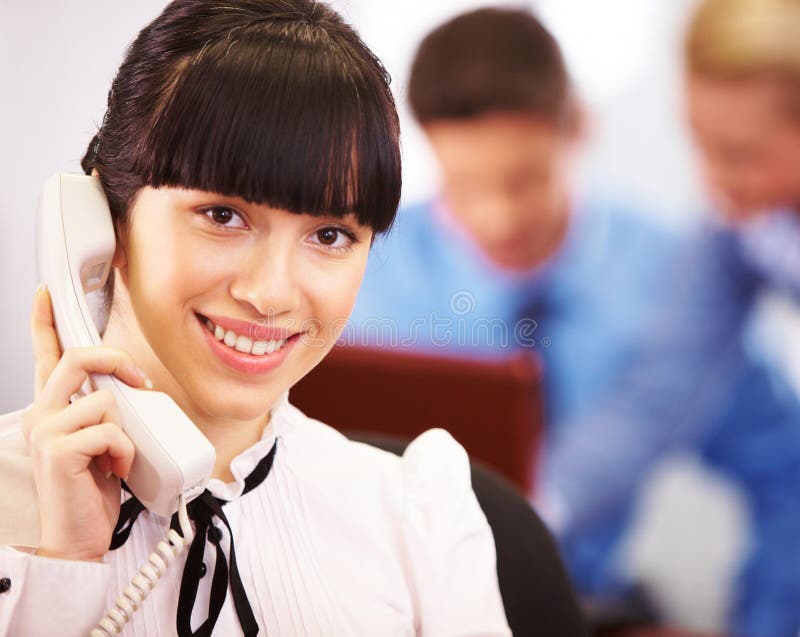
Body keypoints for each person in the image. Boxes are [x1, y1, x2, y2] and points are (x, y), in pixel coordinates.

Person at [0, 2, 513, 635]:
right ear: (105, 223)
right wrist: (66, 569)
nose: (271, 295)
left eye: (330, 234)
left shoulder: (412, 513)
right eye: (223, 216)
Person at [348, 6, 800, 636]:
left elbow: (785, 465)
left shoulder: (671, 283)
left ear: (579, 127)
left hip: (589, 610)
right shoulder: (349, 279)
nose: (500, 219)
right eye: (467, 184)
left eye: (525, 180)